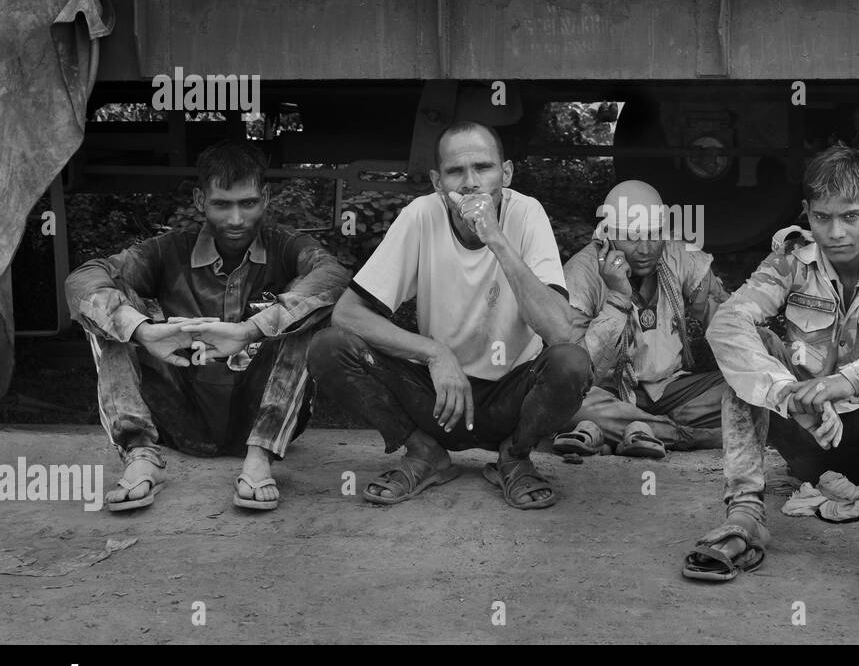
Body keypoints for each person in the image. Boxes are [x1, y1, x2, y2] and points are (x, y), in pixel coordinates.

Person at [683, 144, 859, 593]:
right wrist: (784, 393)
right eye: (822, 217)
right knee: (746, 347)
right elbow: (730, 322)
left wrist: (852, 379)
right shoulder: (790, 262)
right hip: (812, 440)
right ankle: (744, 516)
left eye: (850, 217)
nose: (835, 233)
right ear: (807, 213)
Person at [307, 121, 592, 509]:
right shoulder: (420, 215)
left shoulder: (527, 214)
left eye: (483, 168)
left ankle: (515, 457)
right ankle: (424, 453)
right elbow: (347, 315)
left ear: (505, 173)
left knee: (571, 363)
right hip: (439, 400)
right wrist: (434, 353)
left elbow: (560, 332)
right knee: (328, 348)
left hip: (511, 398)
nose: (471, 183)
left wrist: (496, 239)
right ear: (438, 182)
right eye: (456, 171)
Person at [66, 141, 350, 513]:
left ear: (265, 198)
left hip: (261, 411)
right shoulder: (166, 251)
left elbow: (334, 276)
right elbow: (84, 279)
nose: (236, 219)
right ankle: (139, 453)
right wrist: (143, 331)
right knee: (108, 313)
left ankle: (260, 455)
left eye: (247, 203)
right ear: (201, 200)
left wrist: (251, 330)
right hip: (177, 415)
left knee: (307, 309)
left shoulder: (287, 248)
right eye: (222, 204)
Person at [554, 181, 731, 459]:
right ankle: (682, 436)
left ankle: (616, 433)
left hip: (673, 392)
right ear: (608, 235)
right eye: (632, 237)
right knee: (564, 401)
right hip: (605, 394)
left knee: (749, 389)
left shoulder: (679, 256)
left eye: (653, 235)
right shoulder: (581, 275)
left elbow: (728, 326)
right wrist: (617, 297)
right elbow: (573, 372)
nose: (646, 248)